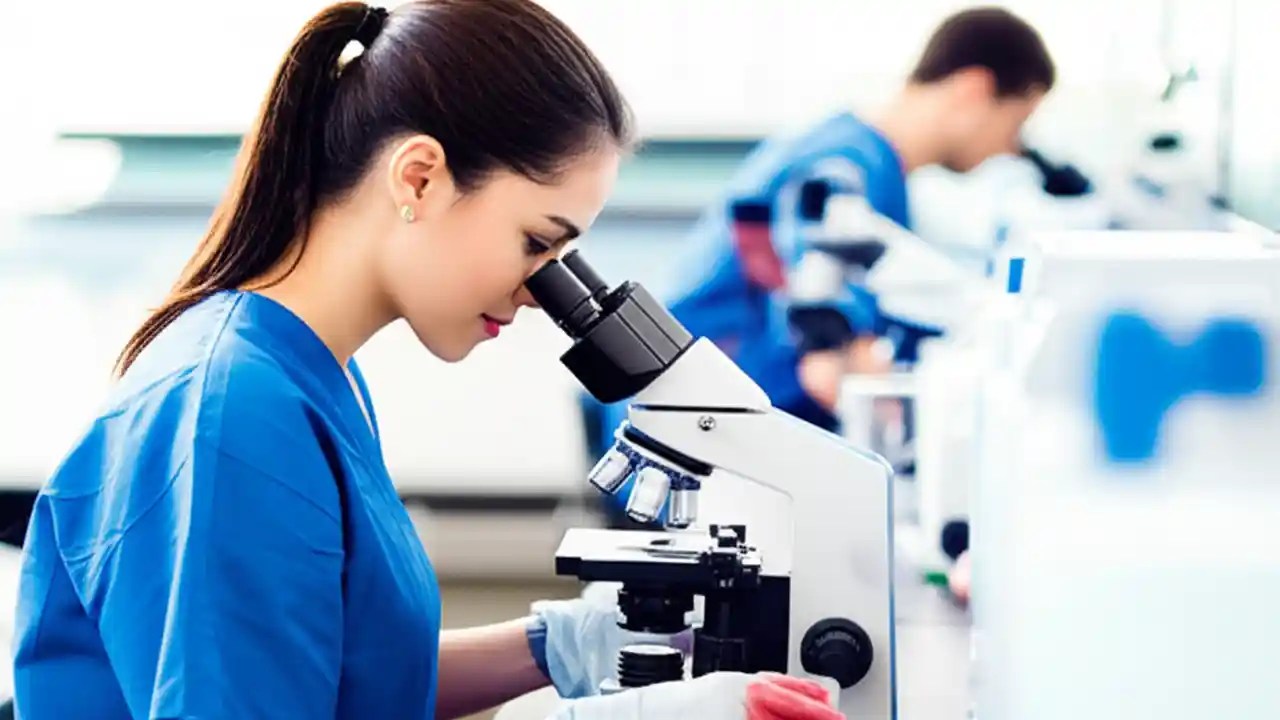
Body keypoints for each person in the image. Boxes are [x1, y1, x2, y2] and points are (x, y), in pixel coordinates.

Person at [9, 3, 843, 719]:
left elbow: (343, 677)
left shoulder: (306, 374)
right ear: (419, 176)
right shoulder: (233, 413)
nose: (537, 291)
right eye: (536, 243)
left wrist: (554, 646)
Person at [656, 6, 1057, 433]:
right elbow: (826, 360)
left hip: (711, 416)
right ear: (974, 89)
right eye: (1016, 124)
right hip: (704, 434)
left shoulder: (851, 154)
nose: (1013, 150)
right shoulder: (844, 170)